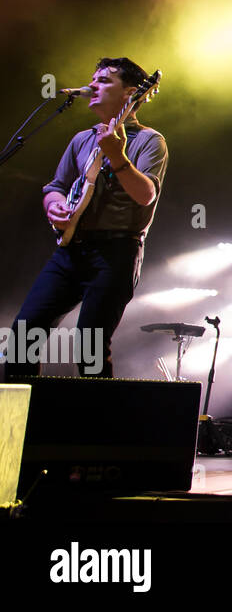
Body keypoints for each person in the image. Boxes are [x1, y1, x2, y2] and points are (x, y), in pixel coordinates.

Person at [3, 57, 165, 379]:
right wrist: (55, 205)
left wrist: (118, 156)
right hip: (71, 250)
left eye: (104, 80)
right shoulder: (81, 139)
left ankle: (98, 428)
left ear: (131, 93)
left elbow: (146, 195)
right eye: (93, 79)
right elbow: (55, 187)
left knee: (88, 346)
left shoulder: (149, 141)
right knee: (23, 336)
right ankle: (14, 426)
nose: (92, 85)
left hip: (116, 252)